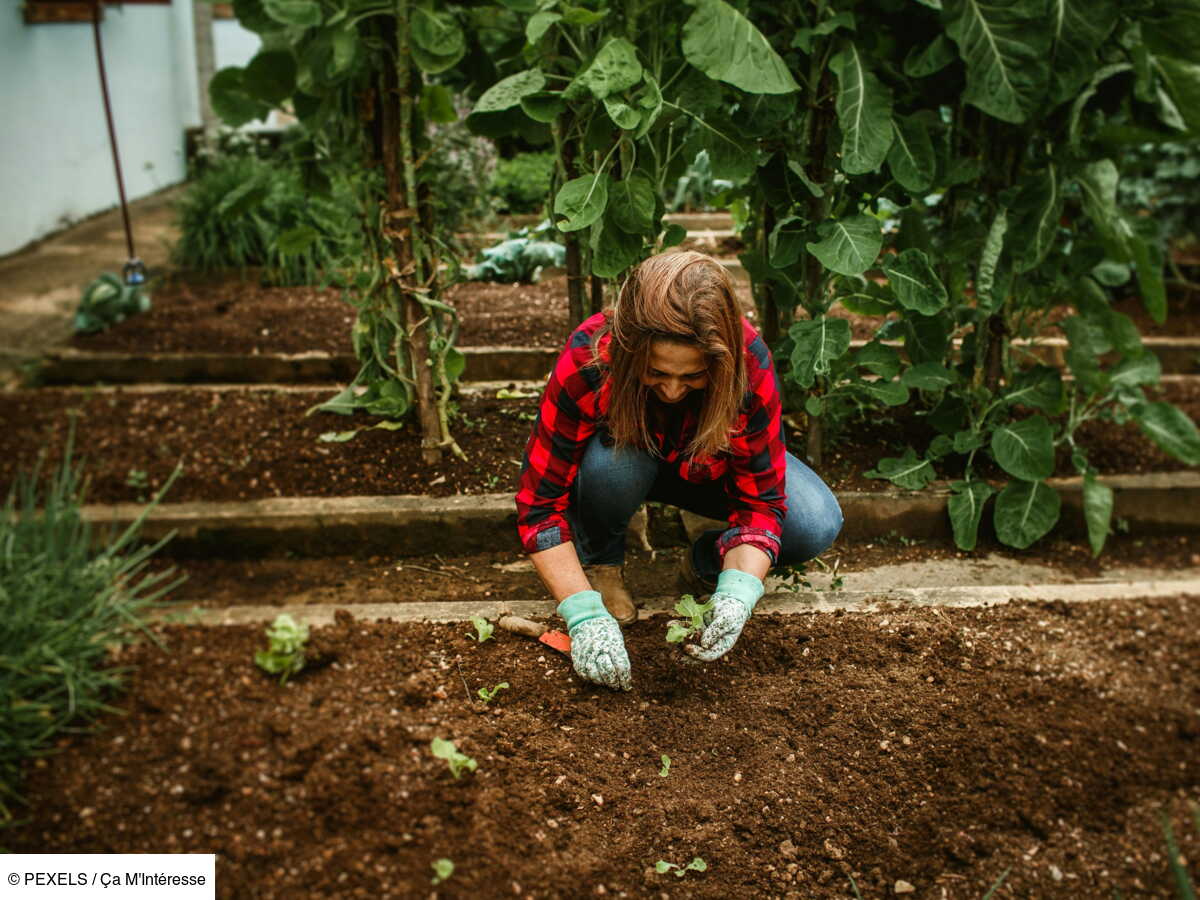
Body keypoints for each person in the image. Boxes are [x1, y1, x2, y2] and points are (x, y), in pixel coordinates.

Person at [514, 251, 843, 691]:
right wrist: (582, 614)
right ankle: (601, 562)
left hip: (707, 471)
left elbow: (761, 503)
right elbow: (540, 507)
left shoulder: (747, 363)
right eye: (655, 372)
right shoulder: (590, 357)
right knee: (613, 467)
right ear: (630, 351)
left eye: (692, 377)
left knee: (813, 523)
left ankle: (707, 564)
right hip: (622, 465)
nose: (671, 391)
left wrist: (738, 593)